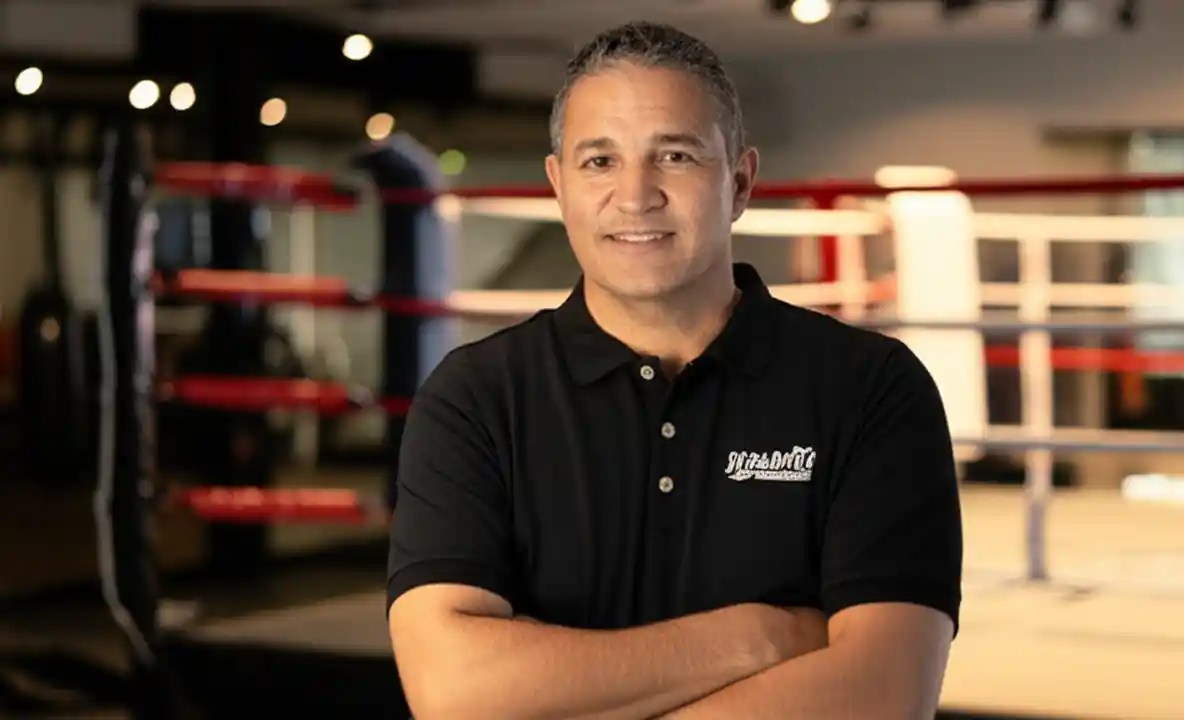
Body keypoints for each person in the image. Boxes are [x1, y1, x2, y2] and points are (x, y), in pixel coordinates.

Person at [386, 21, 962, 719]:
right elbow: (455, 694)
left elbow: (883, 696)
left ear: (741, 181)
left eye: (676, 157)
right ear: (558, 185)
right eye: (599, 161)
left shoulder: (871, 389)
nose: (635, 196)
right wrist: (762, 637)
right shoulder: (474, 399)